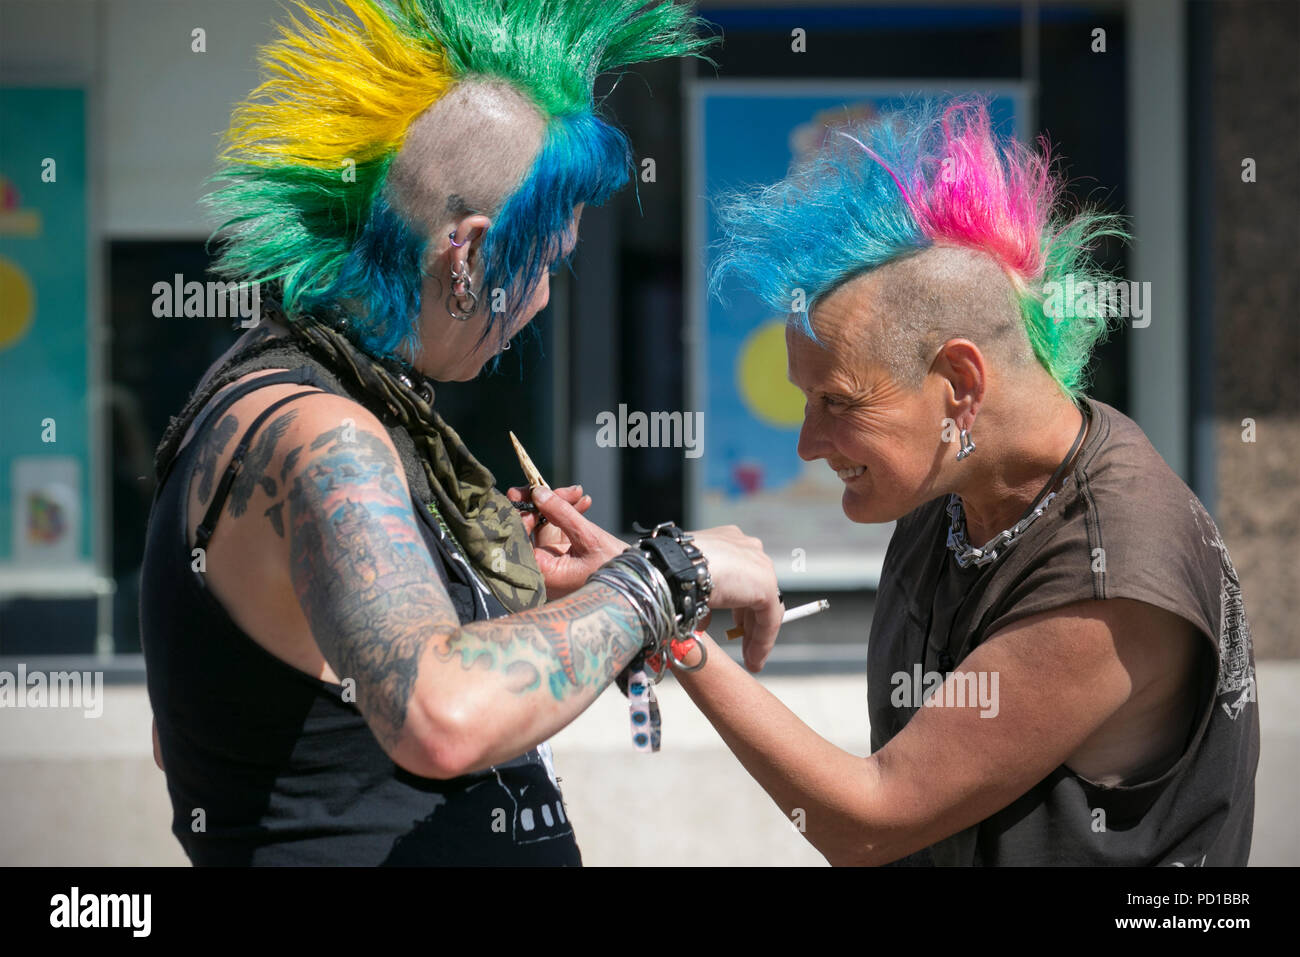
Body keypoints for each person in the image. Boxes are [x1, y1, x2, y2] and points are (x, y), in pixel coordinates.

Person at [140, 0, 783, 866]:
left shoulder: (301, 401)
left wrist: (501, 588)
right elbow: (437, 714)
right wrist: (661, 577)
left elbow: (260, 713)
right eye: (546, 264)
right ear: (470, 252)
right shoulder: (320, 433)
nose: (546, 299)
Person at [539, 98, 1260, 865]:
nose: (808, 444)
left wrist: (663, 613)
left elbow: (872, 817)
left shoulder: (1113, 571)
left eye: (838, 403)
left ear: (958, 380)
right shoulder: (954, 484)